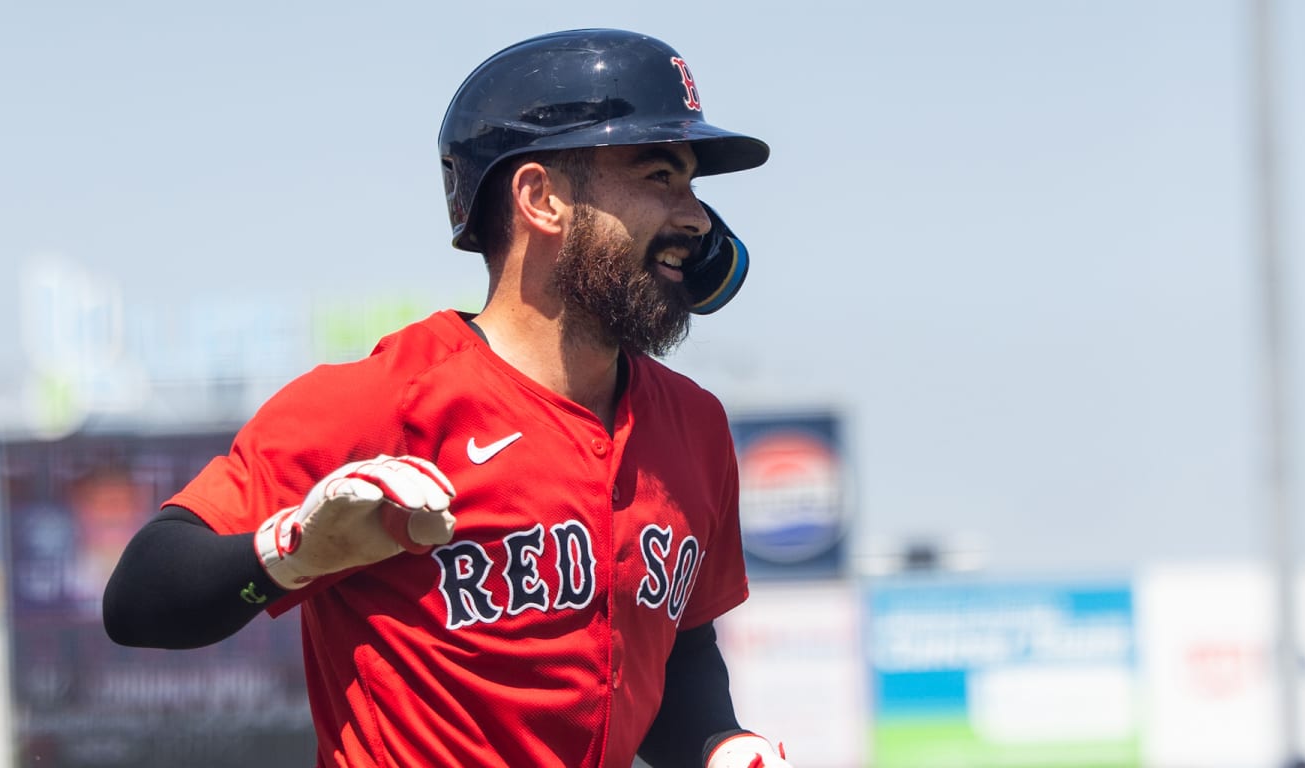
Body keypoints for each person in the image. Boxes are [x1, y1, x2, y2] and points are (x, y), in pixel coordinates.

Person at [103, 28, 790, 768]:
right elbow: (138, 599)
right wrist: (291, 552)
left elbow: (675, 645)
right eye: (660, 176)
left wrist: (720, 742)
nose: (695, 217)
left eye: (692, 184)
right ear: (541, 198)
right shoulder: (383, 401)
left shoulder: (694, 425)